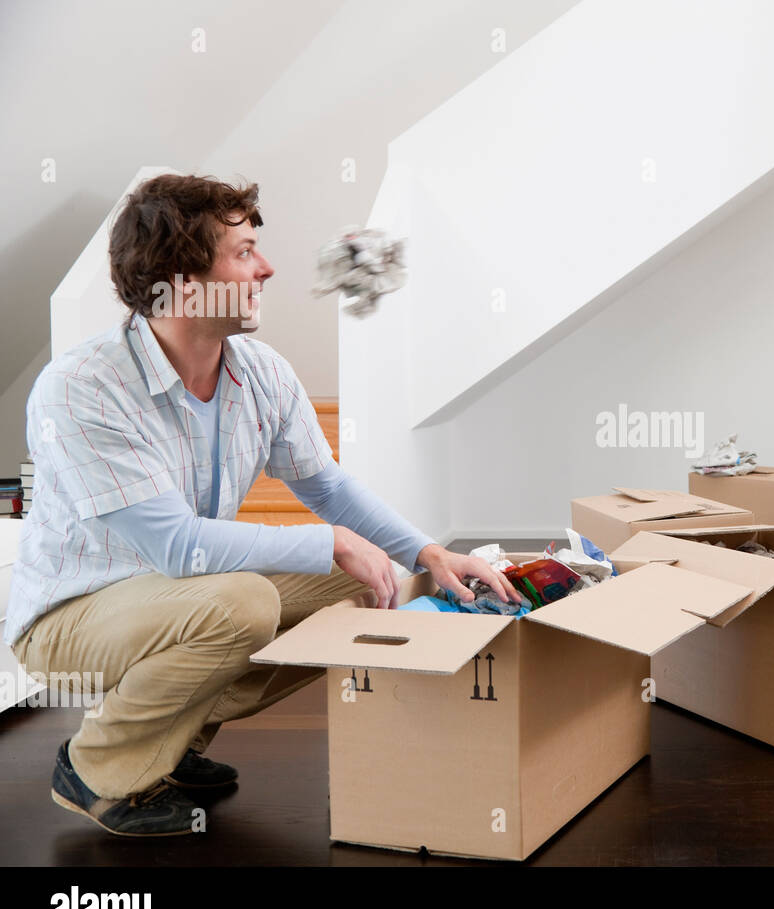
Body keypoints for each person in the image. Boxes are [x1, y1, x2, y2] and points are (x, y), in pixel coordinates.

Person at [6, 173, 524, 837]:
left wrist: (428, 553)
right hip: (70, 616)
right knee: (246, 603)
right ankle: (98, 771)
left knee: (367, 585)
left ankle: (172, 739)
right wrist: (328, 540)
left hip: (174, 596)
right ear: (181, 277)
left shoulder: (260, 372)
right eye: (244, 251)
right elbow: (174, 545)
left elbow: (328, 488)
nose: (268, 267)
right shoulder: (81, 388)